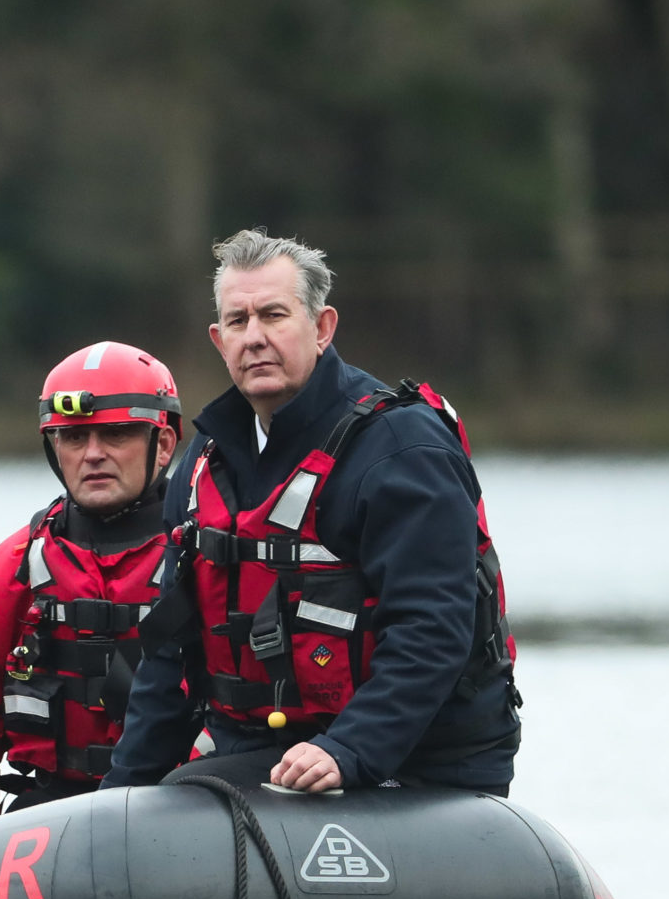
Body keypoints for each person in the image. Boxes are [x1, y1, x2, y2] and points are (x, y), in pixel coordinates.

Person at [104, 228, 519, 796]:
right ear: (217, 340)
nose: (255, 338)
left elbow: (432, 632)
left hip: (421, 762)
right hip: (263, 753)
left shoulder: (402, 450)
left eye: (274, 315)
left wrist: (349, 751)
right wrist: (121, 795)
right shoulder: (202, 466)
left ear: (322, 328)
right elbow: (167, 657)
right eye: (238, 321)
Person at [0, 342, 183, 828]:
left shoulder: (208, 560)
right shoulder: (13, 571)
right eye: (74, 438)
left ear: (162, 444)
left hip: (187, 811)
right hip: (50, 825)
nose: (93, 454)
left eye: (115, 434)